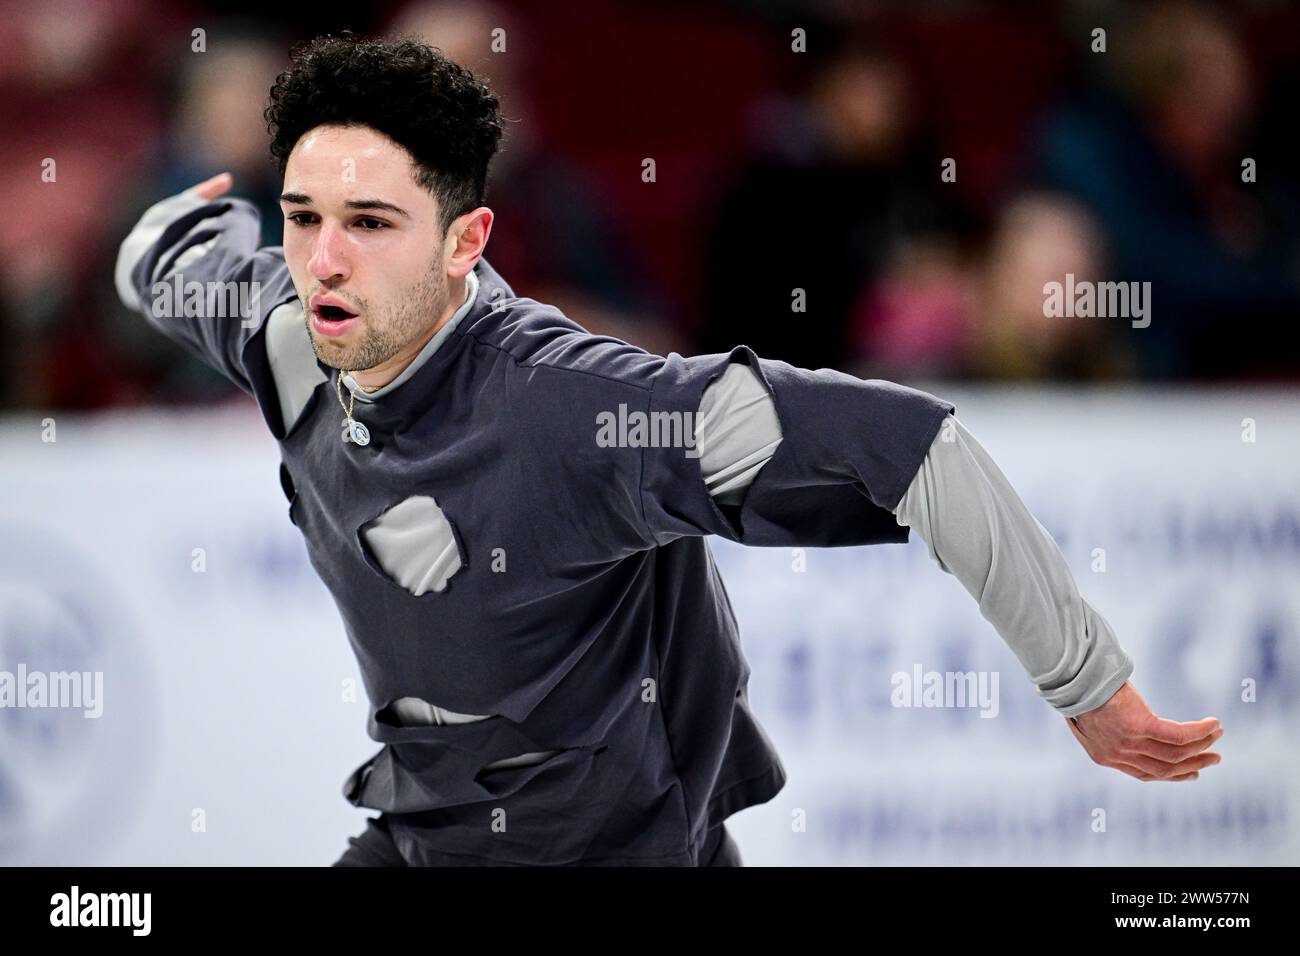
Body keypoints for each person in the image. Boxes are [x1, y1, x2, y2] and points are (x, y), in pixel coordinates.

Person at [114, 34, 1224, 867]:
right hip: (417, 840)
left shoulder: (577, 412)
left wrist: (1087, 685)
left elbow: (910, 443)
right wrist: (186, 223)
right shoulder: (289, 333)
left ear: (465, 242)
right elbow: (169, 260)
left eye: (369, 222)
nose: (322, 260)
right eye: (303, 216)